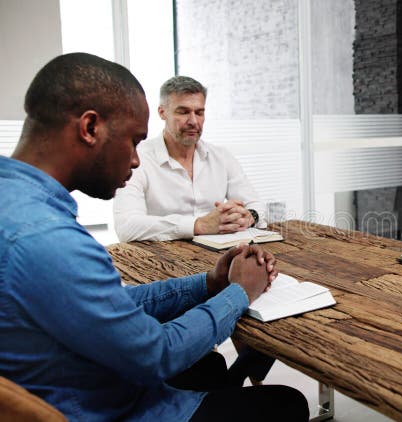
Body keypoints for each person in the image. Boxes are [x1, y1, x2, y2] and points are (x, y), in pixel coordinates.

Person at [0, 53, 308, 421]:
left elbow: (114, 304)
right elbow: (157, 354)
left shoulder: (16, 204)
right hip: (106, 407)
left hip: (73, 380)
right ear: (90, 127)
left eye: (200, 112)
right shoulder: (48, 238)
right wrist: (239, 292)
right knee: (287, 403)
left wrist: (208, 283)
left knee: (209, 366)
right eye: (132, 141)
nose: (134, 160)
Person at [113, 75, 264, 242]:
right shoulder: (137, 159)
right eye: (183, 112)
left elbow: (256, 205)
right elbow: (126, 227)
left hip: (220, 253)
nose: (193, 121)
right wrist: (197, 225)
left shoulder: (221, 157)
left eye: (199, 113)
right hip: (162, 256)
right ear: (162, 113)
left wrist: (249, 217)